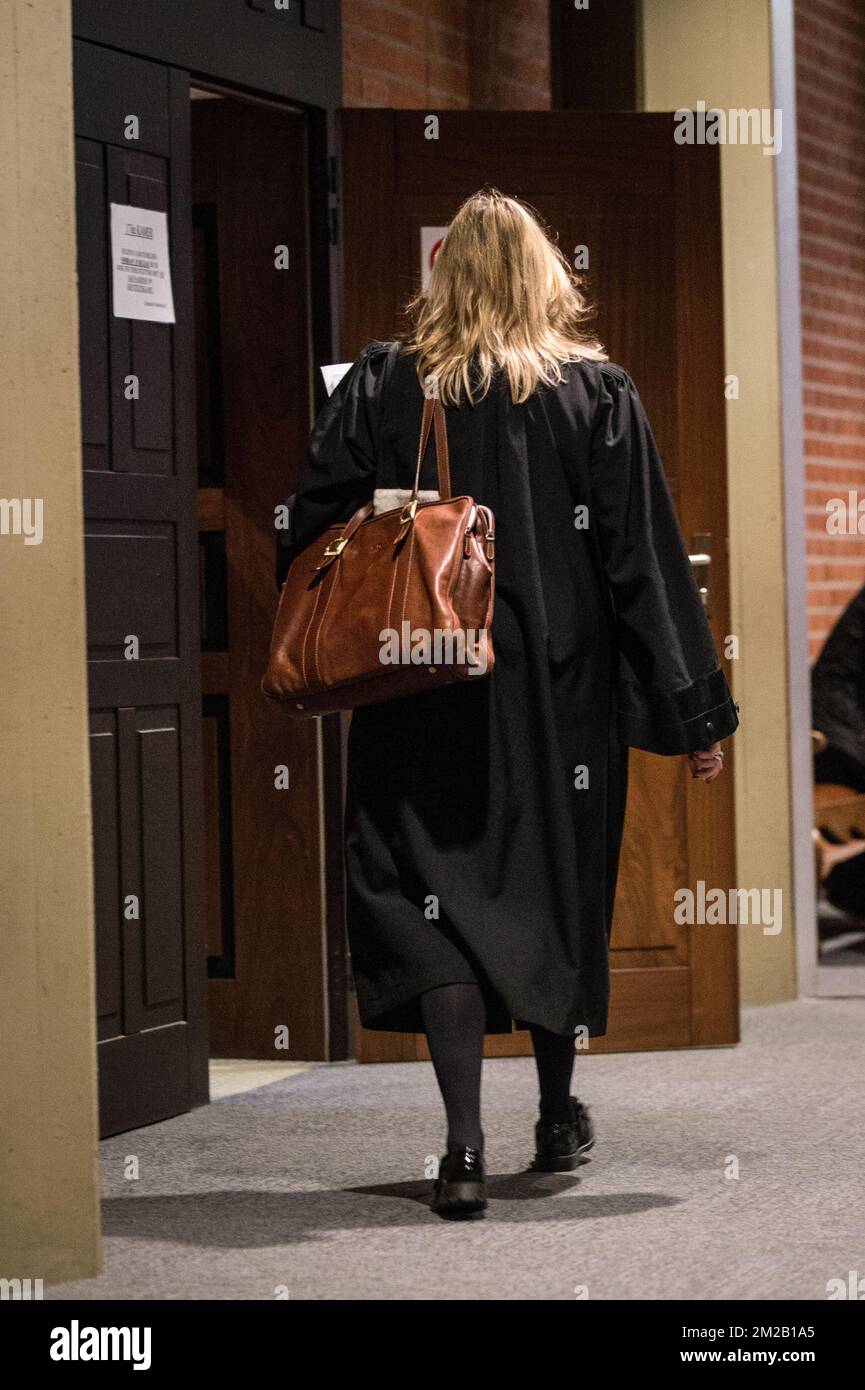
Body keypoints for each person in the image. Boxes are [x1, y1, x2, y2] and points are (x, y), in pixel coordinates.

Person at [278, 189, 738, 1219]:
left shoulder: (380, 385)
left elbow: (312, 530)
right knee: (549, 896)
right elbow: (641, 567)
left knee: (428, 900)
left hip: (419, 681)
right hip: (555, 699)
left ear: (442, 278)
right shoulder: (597, 394)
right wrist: (692, 711)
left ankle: (461, 1149)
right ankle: (556, 1111)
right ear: (545, 278)